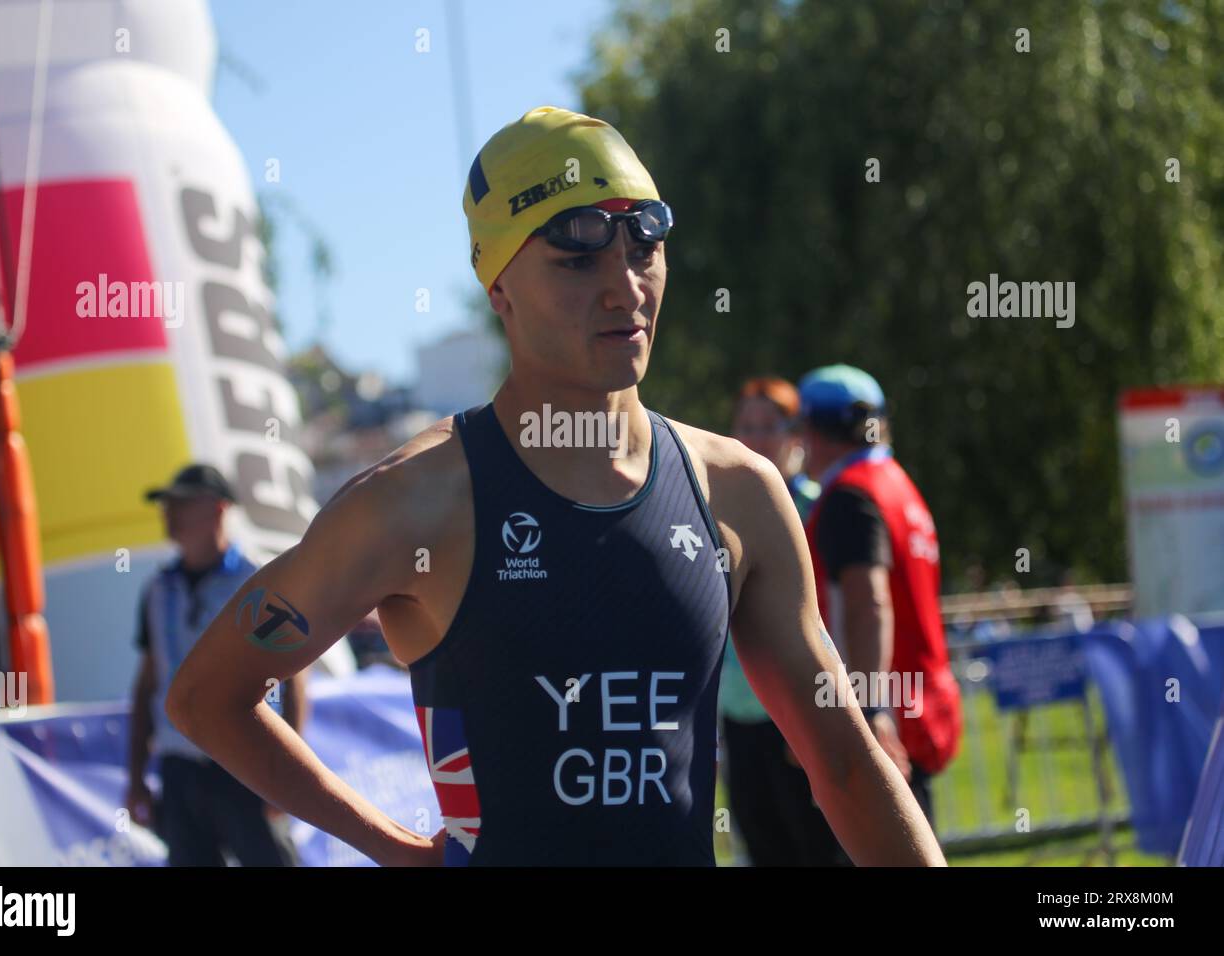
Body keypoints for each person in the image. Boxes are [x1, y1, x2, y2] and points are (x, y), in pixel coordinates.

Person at [166, 107, 945, 867]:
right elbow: (208, 698)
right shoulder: (416, 504)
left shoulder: (737, 490)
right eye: (578, 259)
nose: (625, 288)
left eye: (644, 246)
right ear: (498, 286)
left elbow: (842, 762)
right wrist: (396, 850)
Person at [797, 365, 964, 863]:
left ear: (812, 432)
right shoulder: (899, 485)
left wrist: (868, 710)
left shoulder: (850, 496)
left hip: (883, 721)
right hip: (921, 705)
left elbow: (869, 604)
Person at [126, 463, 305, 866]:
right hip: (180, 770)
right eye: (167, 503)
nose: (169, 513)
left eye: (182, 503)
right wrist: (136, 778)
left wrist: (289, 776)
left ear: (219, 509)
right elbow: (146, 685)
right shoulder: (157, 589)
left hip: (249, 762)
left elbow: (293, 679)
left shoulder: (258, 578)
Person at [720, 376, 834, 864]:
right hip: (737, 709)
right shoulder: (716, 514)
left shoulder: (821, 508)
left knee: (816, 844)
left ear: (796, 434)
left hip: (800, 707)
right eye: (746, 425)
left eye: (769, 425)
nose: (756, 437)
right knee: (762, 844)